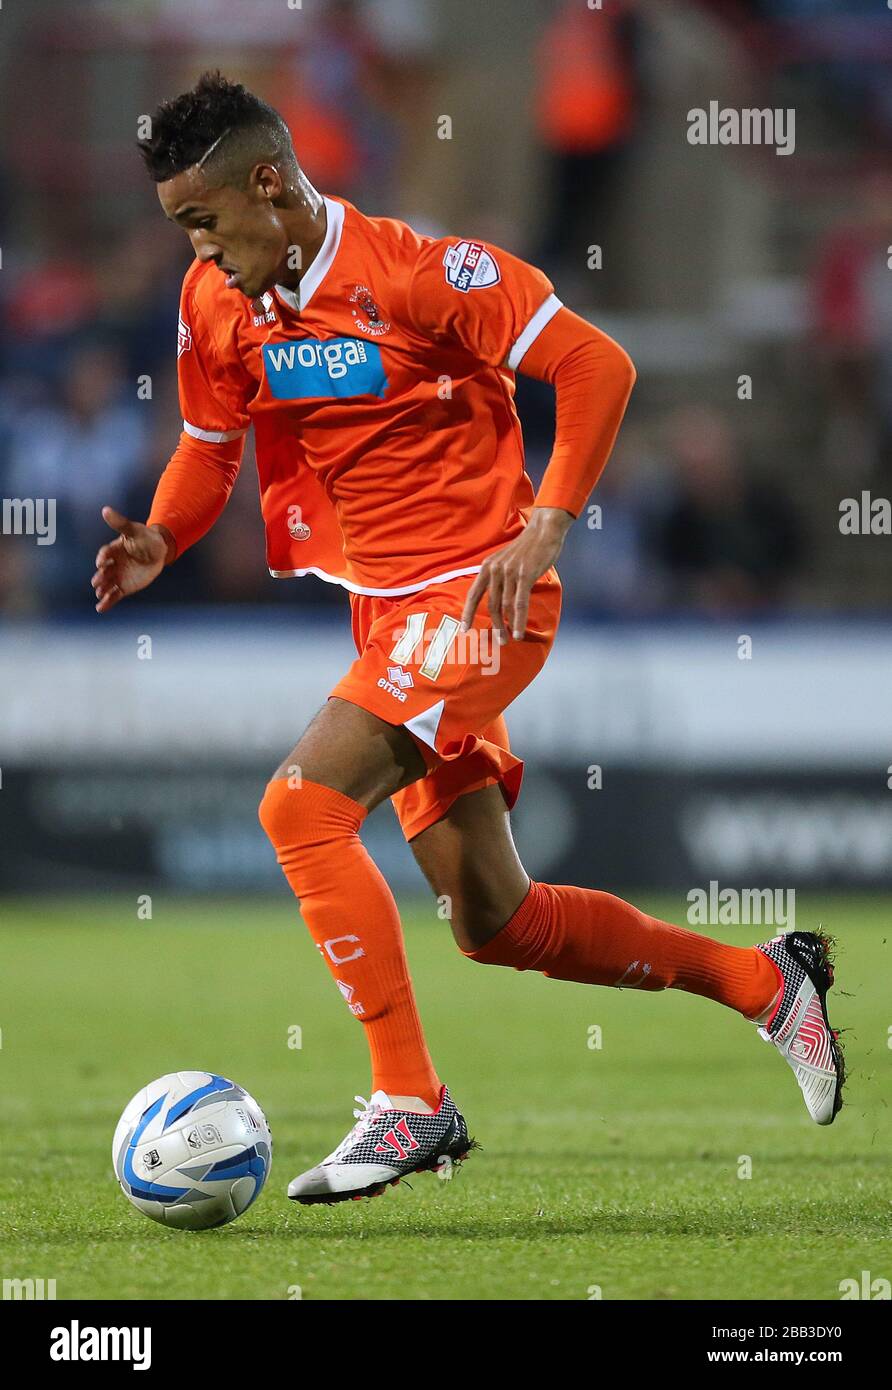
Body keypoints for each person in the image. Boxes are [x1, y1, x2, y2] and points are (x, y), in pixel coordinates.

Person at [92, 74, 843, 1205]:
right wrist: (162, 533)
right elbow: (210, 443)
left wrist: (546, 526)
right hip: (388, 612)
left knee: (299, 810)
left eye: (204, 221)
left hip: (483, 601)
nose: (196, 249)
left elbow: (598, 365)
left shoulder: (422, 271)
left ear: (268, 182)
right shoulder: (217, 303)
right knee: (496, 919)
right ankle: (763, 983)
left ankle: (411, 1106)